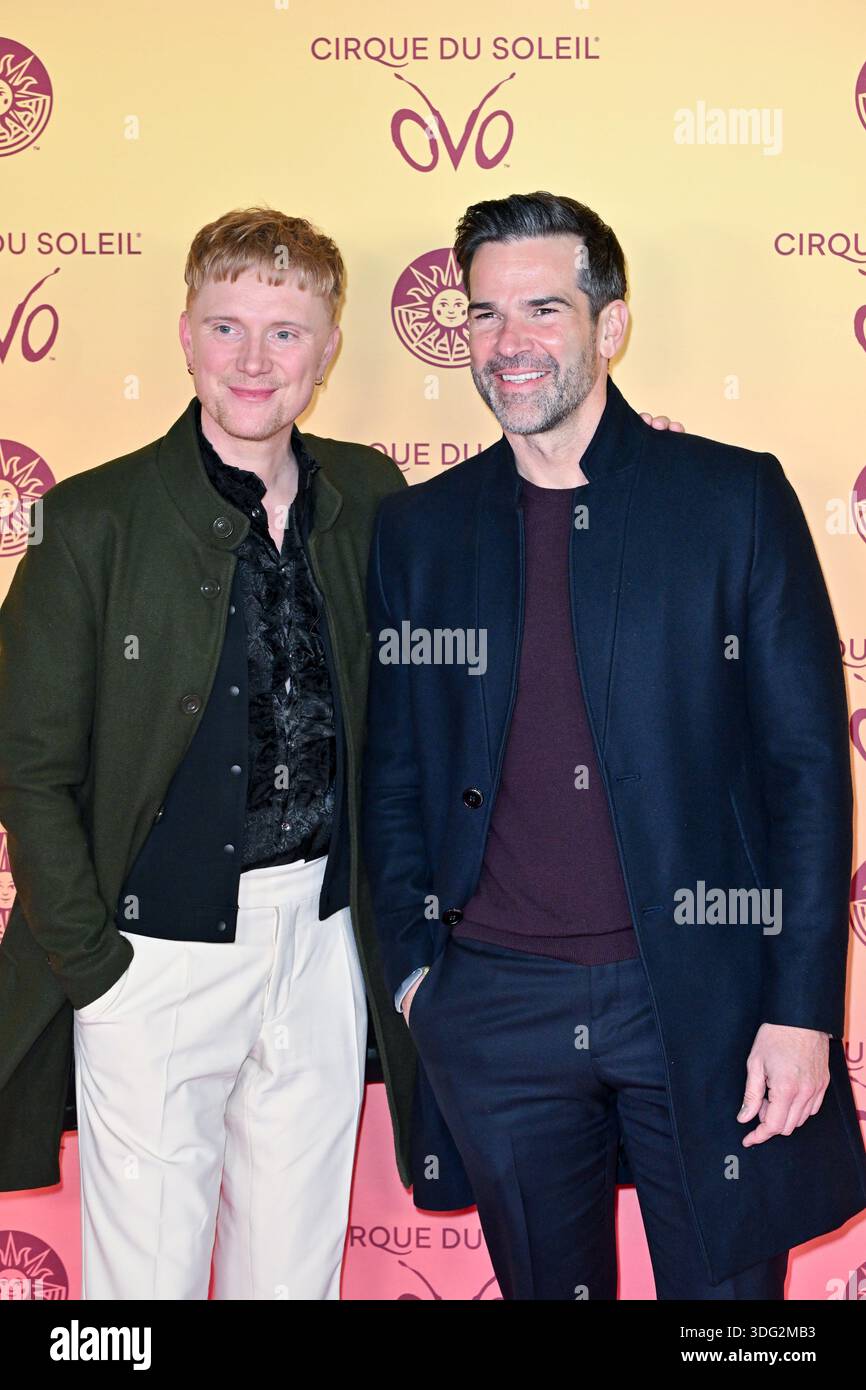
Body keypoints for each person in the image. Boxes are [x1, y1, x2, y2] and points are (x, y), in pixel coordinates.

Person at [362, 190, 866, 1300]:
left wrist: (799, 1008)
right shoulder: (420, 531)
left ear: (610, 324)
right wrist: (413, 982)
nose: (508, 344)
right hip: (493, 1004)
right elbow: (393, 769)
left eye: (542, 308)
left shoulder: (730, 501)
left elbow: (803, 776)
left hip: (698, 994)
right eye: (485, 315)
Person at [0, 206, 415, 1299]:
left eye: (285, 331)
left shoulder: (371, 497)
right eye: (226, 326)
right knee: (145, 1281)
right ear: (183, 332)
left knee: (294, 1271)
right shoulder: (85, 520)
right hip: (150, 955)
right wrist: (97, 969)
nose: (253, 359)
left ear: (329, 348)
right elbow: (30, 765)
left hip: (321, 942)